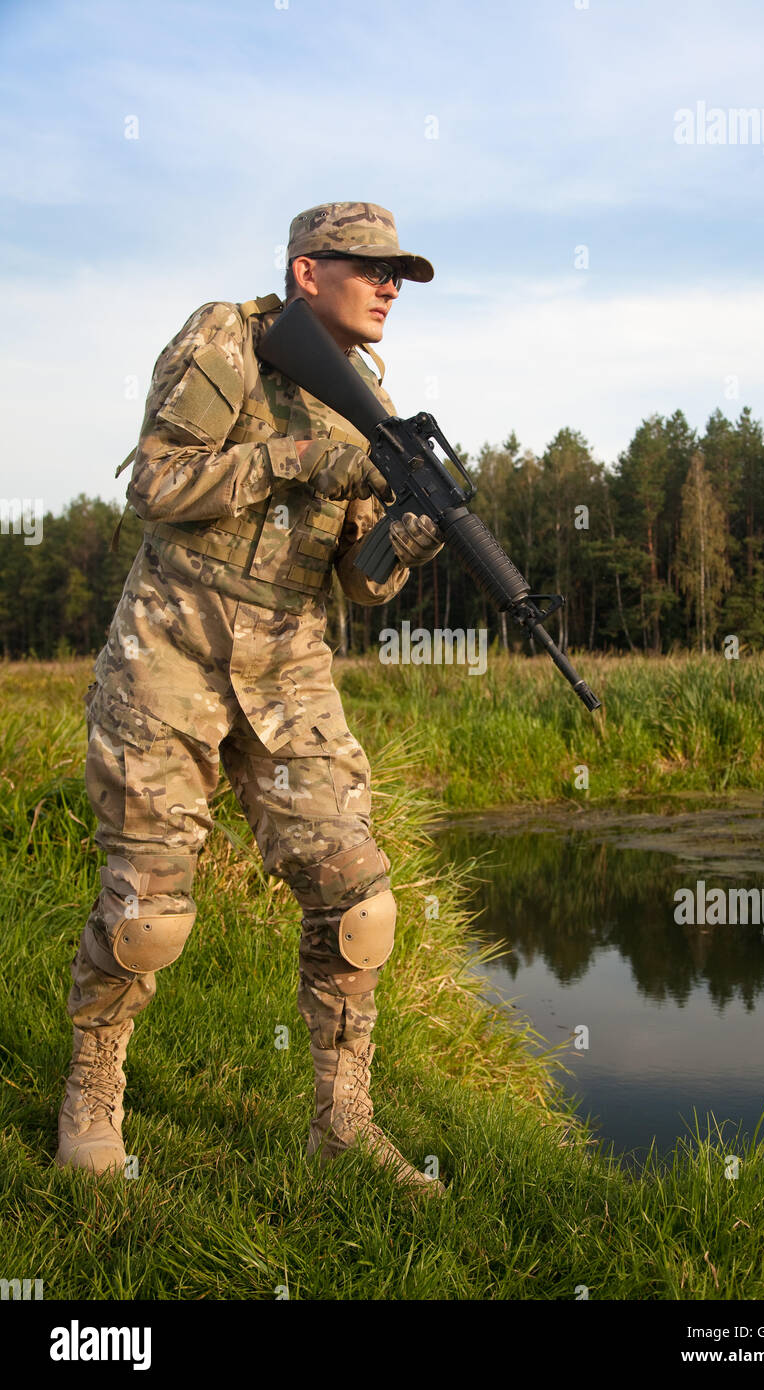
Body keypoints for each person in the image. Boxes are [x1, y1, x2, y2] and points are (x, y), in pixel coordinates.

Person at [56, 201, 445, 1195]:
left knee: (358, 900)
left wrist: (402, 537)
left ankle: (342, 1122)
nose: (390, 284)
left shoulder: (367, 397)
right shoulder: (227, 336)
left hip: (290, 673)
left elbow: (359, 583)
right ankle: (94, 1084)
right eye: (371, 267)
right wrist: (298, 459)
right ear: (308, 272)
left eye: (399, 271)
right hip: (170, 657)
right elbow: (152, 483)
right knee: (149, 918)